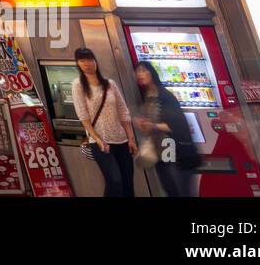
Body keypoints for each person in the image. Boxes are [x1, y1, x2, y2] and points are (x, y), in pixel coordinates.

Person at [71, 47, 138, 197]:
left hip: (122, 140)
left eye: (89, 59)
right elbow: (83, 116)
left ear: (95, 61)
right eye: (82, 60)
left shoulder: (110, 84)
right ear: (78, 64)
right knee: (115, 181)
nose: (86, 63)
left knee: (128, 183)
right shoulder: (78, 85)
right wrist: (97, 139)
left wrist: (131, 139)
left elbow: (123, 112)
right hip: (101, 142)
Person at [133, 61, 198, 197]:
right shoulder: (149, 95)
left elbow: (176, 124)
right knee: (170, 189)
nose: (140, 74)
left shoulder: (164, 95)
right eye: (137, 71)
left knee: (180, 191)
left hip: (175, 152)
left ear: (152, 72)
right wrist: (143, 124)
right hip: (161, 152)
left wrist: (153, 126)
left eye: (143, 70)